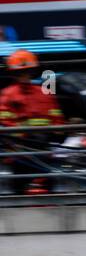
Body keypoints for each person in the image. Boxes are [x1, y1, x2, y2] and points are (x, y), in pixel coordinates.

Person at [0, 50, 66, 194]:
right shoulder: (7, 94)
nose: (24, 76)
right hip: (20, 154)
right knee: (17, 192)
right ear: (13, 74)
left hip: (45, 150)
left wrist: (55, 134)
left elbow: (56, 118)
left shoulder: (44, 92)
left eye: (27, 71)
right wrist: (24, 137)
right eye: (20, 73)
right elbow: (4, 121)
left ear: (32, 71)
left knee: (51, 189)